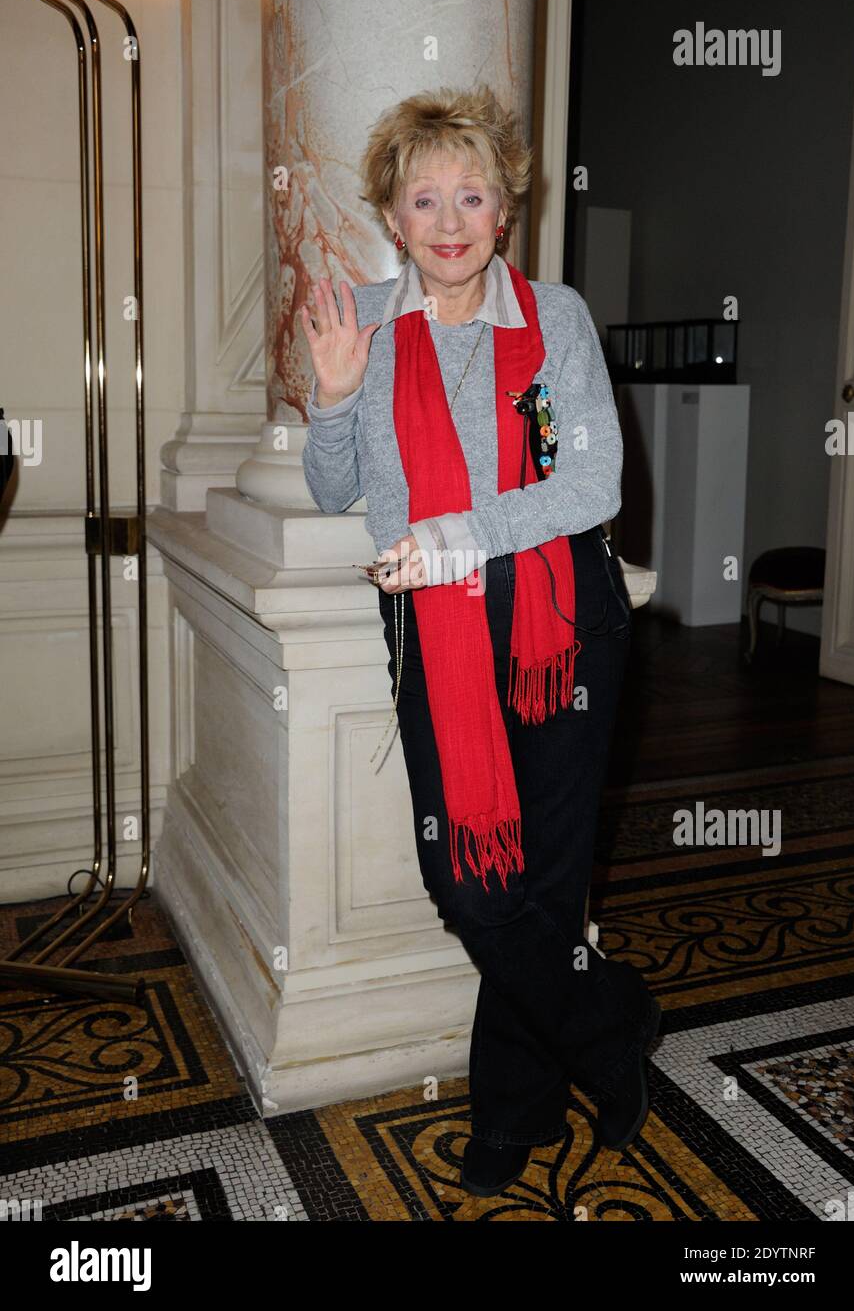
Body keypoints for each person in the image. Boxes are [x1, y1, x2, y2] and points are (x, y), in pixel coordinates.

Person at [301, 85, 660, 1199]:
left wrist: (458, 536)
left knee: (544, 888)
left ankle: (514, 1105)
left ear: (505, 211)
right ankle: (612, 1025)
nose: (449, 220)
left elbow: (587, 484)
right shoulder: (364, 315)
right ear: (393, 217)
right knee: (468, 882)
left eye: (472, 194)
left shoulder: (552, 320)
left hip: (560, 628)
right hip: (436, 631)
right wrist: (332, 396)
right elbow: (337, 491)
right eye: (423, 198)